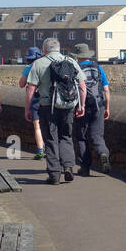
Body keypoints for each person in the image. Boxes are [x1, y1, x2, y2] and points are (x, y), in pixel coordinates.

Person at [25, 37, 84, 183]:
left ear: (44, 50)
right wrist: (81, 105)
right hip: (68, 106)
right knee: (66, 136)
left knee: (51, 139)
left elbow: (31, 88)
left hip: (47, 107)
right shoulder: (71, 62)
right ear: (59, 48)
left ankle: (54, 174)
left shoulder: (38, 63)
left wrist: (27, 108)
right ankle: (69, 167)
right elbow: (82, 86)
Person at [73, 45, 111, 175]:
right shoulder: (98, 67)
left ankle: (85, 167)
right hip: (98, 105)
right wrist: (107, 108)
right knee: (97, 136)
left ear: (77, 56)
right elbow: (106, 90)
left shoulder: (75, 68)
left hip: (81, 107)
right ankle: (103, 153)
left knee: (82, 137)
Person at [18, 47, 46, 159]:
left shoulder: (28, 68)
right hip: (47, 99)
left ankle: (40, 150)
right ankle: (51, 149)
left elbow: (21, 84)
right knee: (49, 126)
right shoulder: (45, 66)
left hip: (34, 100)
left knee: (37, 126)